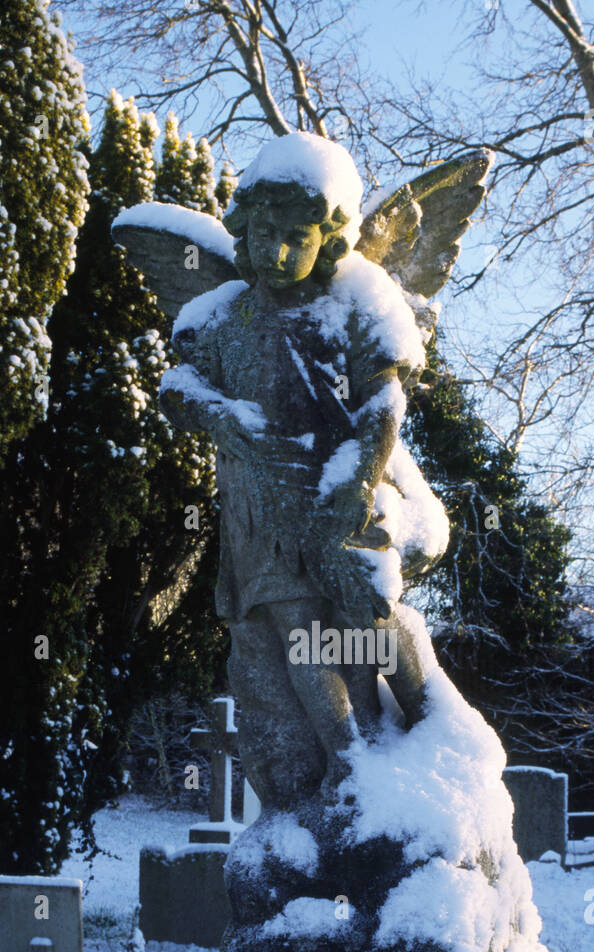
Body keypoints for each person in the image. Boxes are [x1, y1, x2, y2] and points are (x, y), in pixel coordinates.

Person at [160, 148, 438, 808]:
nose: (280, 253)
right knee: (298, 632)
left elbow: (383, 399)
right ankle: (348, 762)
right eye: (266, 236)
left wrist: (357, 481)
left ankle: (431, 720)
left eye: (298, 239)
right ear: (245, 234)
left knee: (371, 611)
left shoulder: (353, 302)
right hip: (261, 510)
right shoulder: (224, 316)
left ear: (329, 239)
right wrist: (218, 414)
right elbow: (177, 386)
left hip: (340, 488)